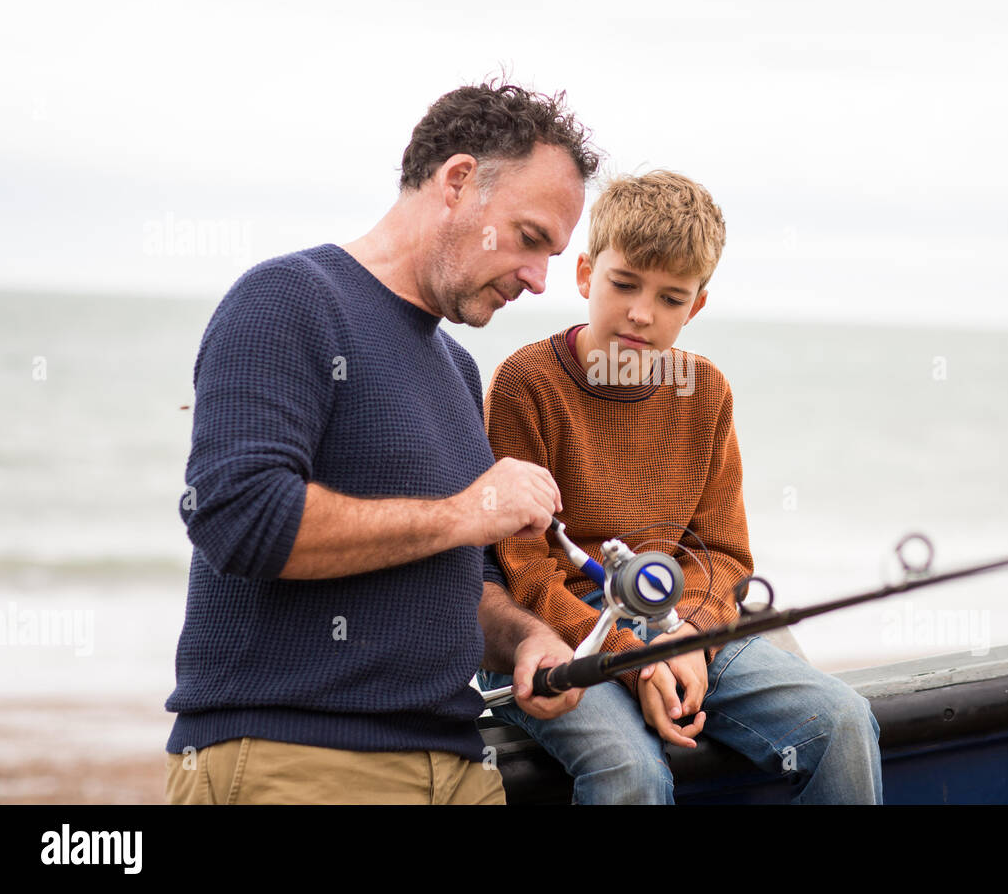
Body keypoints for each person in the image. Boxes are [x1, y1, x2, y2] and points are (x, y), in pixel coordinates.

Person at [164, 80, 601, 805]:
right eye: (530, 240)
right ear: (458, 181)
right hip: (299, 761)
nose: (537, 278)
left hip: (461, 768)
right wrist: (467, 511)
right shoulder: (287, 298)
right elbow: (240, 518)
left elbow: (455, 585)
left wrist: (526, 639)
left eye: (552, 254)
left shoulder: (457, 369)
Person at [478, 171, 884, 804]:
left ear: (696, 307)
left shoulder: (707, 391)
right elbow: (525, 571)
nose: (642, 313)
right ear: (585, 275)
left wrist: (687, 641)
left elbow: (723, 554)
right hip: (558, 634)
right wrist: (629, 657)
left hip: (674, 620)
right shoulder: (524, 386)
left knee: (843, 722)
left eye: (672, 298)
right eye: (624, 284)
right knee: (633, 772)